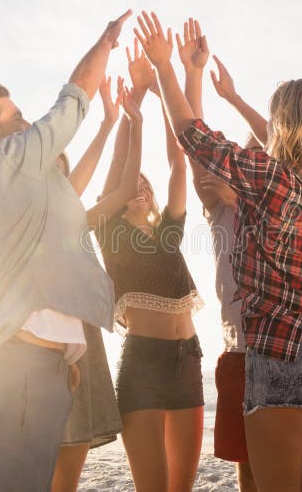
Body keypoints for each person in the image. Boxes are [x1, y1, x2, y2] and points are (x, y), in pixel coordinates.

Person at [135, 10, 302, 492]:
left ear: (285, 123)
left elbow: (193, 137)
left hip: (281, 349)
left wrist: (164, 67)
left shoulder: (271, 178)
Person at [0, 10, 131, 492]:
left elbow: (68, 197)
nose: (26, 122)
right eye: (14, 115)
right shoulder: (6, 164)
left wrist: (64, 354)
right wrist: (105, 44)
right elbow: (71, 101)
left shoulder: (7, 189)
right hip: (20, 371)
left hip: (37, 371)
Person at [191, 39, 302, 492]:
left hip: (287, 344)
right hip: (240, 350)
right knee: (247, 467)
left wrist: (234, 98)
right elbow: (197, 148)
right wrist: (193, 76)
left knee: (301, 467)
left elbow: (281, 153)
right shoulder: (221, 210)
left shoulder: (283, 197)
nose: (251, 165)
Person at [91, 39, 205, 492]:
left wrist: (162, 84)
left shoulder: (168, 232)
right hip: (142, 366)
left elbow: (179, 161)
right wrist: (130, 110)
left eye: (144, 184)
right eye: (129, 185)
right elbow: (121, 163)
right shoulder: (110, 235)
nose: (138, 185)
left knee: (183, 487)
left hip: (188, 363)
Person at [50, 76, 125, 492]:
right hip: (42, 346)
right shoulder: (32, 218)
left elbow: (123, 189)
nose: (64, 183)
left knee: (68, 477)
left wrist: (120, 121)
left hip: (84, 340)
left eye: (65, 172)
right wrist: (106, 126)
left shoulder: (76, 224)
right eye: (55, 173)